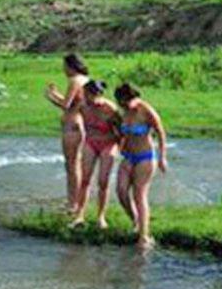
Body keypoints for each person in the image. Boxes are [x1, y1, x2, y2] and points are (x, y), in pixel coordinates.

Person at [113, 83, 168, 249]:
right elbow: (122, 133)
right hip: (128, 156)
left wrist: (162, 158)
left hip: (145, 157)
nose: (123, 106)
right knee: (121, 191)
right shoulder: (124, 112)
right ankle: (136, 221)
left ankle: (144, 237)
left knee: (139, 194)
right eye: (120, 103)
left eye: (124, 102)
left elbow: (161, 132)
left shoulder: (146, 111)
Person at [44, 53, 90, 217]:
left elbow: (66, 105)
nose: (63, 70)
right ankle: (75, 202)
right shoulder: (84, 79)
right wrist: (56, 93)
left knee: (72, 166)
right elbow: (73, 102)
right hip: (79, 124)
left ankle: (73, 204)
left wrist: (50, 97)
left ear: (71, 66)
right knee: (75, 164)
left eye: (64, 66)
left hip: (72, 126)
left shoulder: (74, 80)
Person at [72, 79, 121, 228]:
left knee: (103, 181)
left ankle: (101, 217)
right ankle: (79, 215)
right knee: (85, 179)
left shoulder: (110, 109)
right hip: (90, 143)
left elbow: (122, 130)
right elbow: (67, 109)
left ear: (99, 94)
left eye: (91, 95)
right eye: (86, 95)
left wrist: (122, 147)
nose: (88, 99)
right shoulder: (83, 107)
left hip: (108, 144)